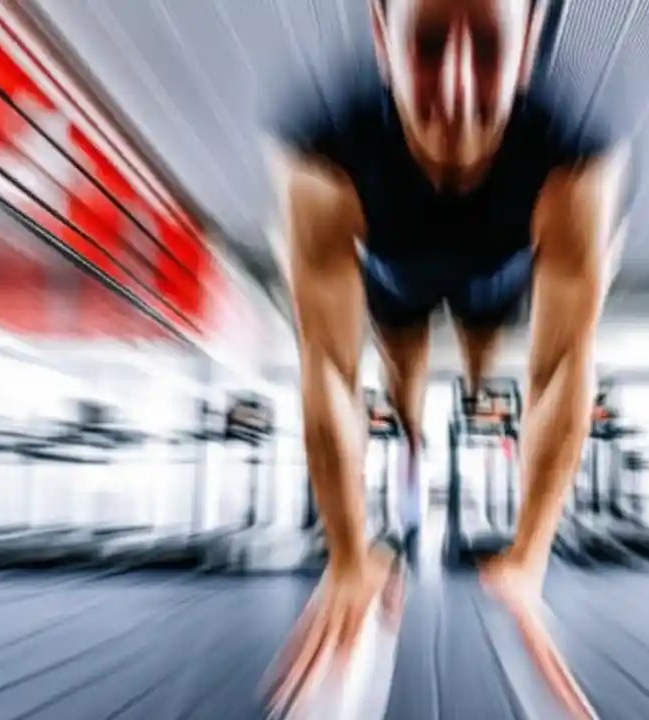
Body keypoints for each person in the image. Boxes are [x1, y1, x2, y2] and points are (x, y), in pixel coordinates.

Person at [265, 0, 627, 716]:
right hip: (394, 277)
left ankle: (457, 399)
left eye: (488, 48)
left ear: (527, 48)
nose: (458, 90)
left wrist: (528, 557)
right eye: (428, 44)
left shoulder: (575, 152)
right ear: (380, 33)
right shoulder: (323, 147)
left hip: (496, 276)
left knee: (480, 364)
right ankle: (414, 438)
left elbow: (560, 367)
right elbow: (331, 368)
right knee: (398, 374)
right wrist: (346, 555)